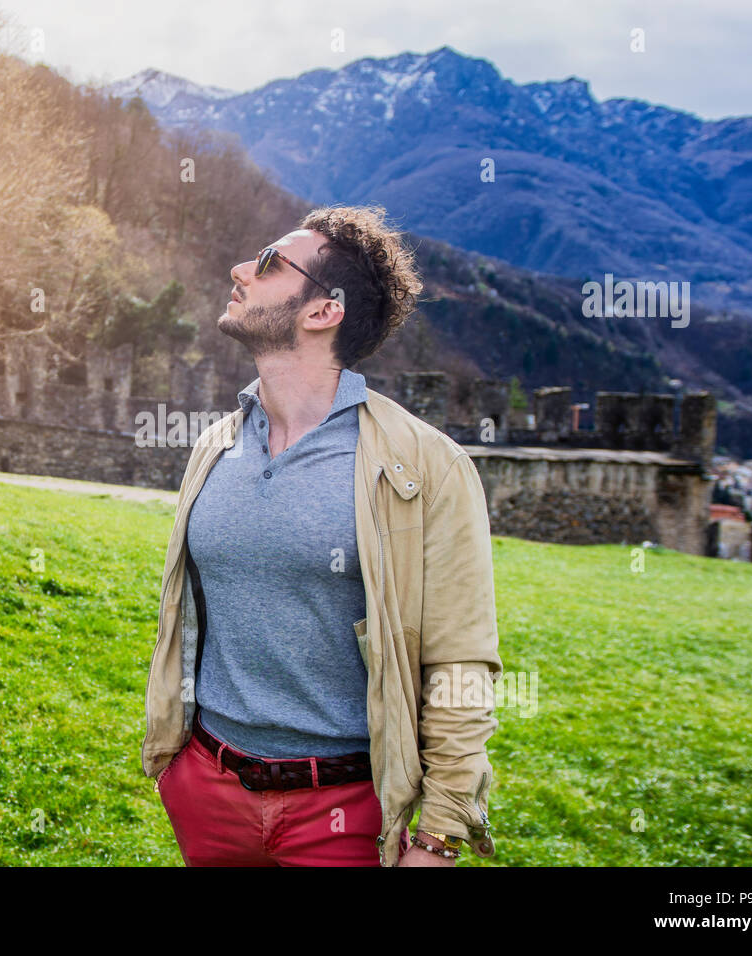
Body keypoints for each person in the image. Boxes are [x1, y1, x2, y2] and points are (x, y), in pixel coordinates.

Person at [142, 205, 502, 867]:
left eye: (272, 262)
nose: (240, 270)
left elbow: (461, 663)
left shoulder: (425, 465)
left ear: (322, 311)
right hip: (207, 791)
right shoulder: (215, 447)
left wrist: (442, 832)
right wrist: (182, 774)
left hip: (345, 813)